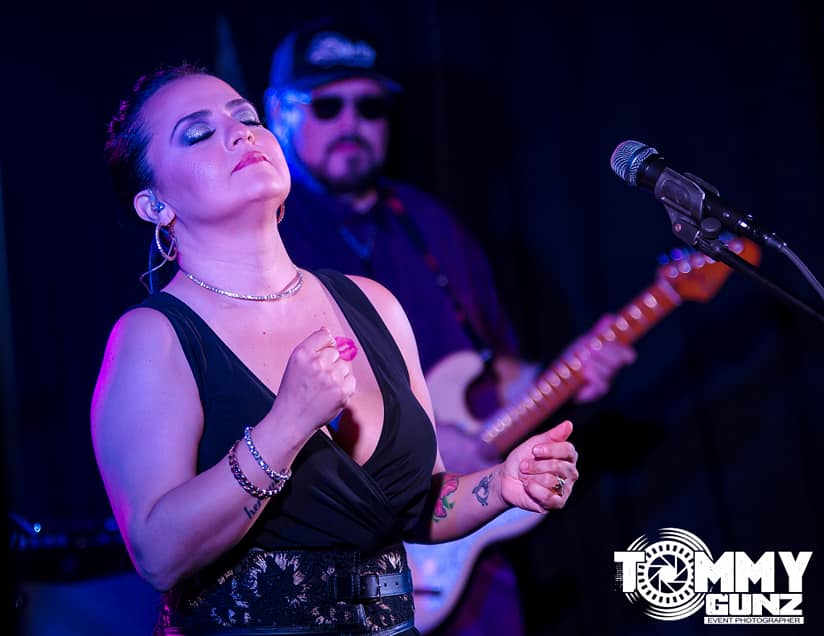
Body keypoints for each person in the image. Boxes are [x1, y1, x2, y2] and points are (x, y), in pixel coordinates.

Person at [90, 61, 582, 636]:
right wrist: (286, 425)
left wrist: (499, 486)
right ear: (155, 205)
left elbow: (419, 505)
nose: (239, 133)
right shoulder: (153, 337)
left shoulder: (372, 304)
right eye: (198, 133)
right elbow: (158, 553)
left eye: (245, 118)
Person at [263, 18, 637, 635]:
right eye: (327, 105)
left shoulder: (429, 223)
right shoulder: (267, 236)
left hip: (472, 560)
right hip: (335, 566)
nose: (352, 124)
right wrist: (428, 447)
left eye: (371, 107)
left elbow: (494, 366)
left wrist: (570, 376)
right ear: (278, 112)